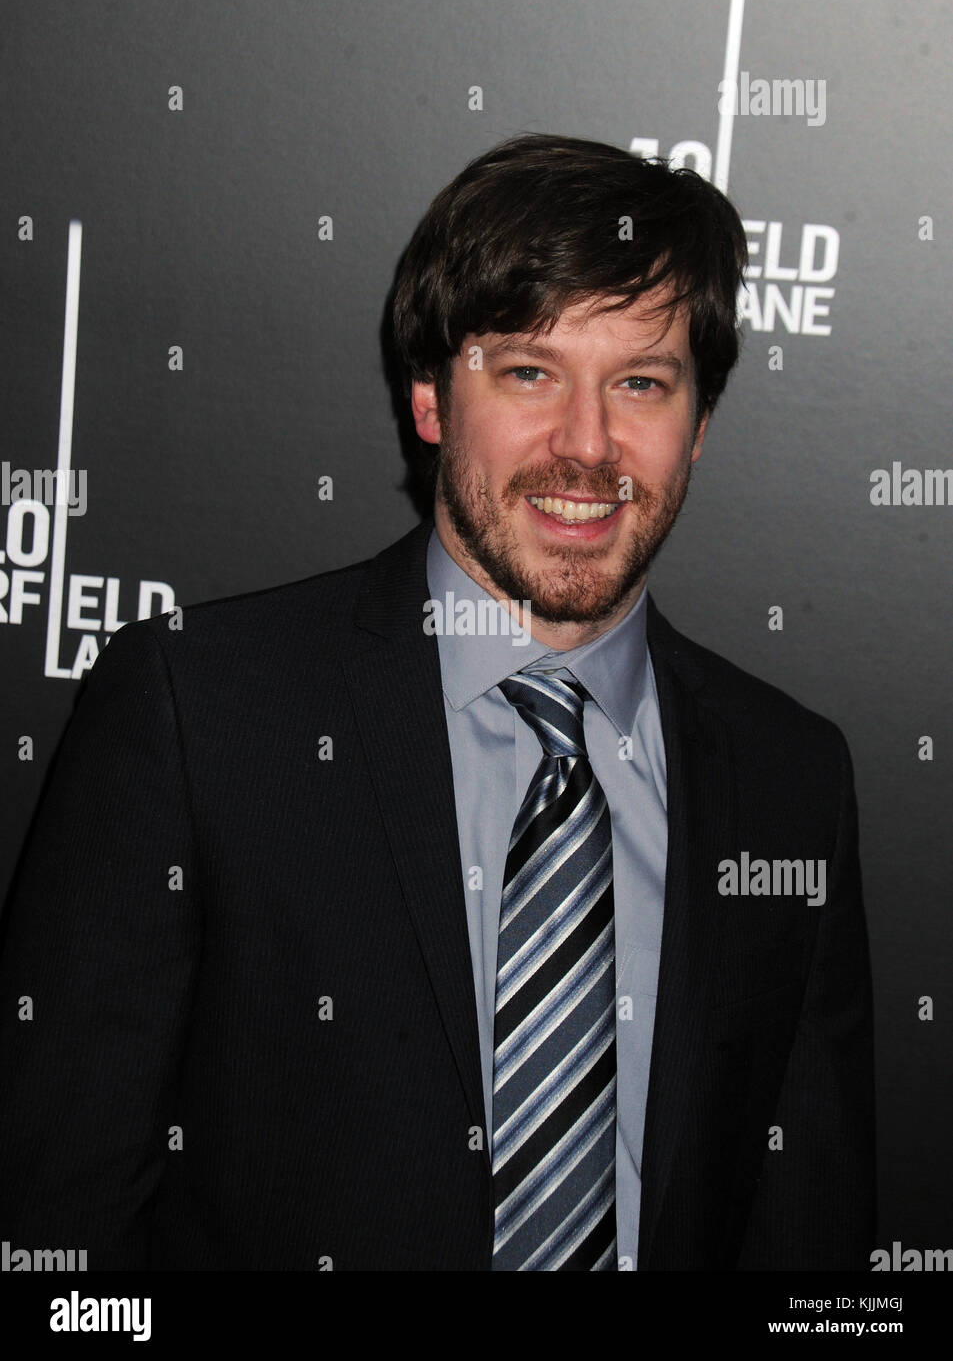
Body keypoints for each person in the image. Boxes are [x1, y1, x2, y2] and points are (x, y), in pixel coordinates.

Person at [0, 133, 875, 1271]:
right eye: (526, 371)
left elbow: (806, 1251)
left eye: (641, 383)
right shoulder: (198, 710)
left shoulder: (788, 778)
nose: (586, 445)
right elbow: (51, 1235)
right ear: (427, 398)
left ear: (698, 423)